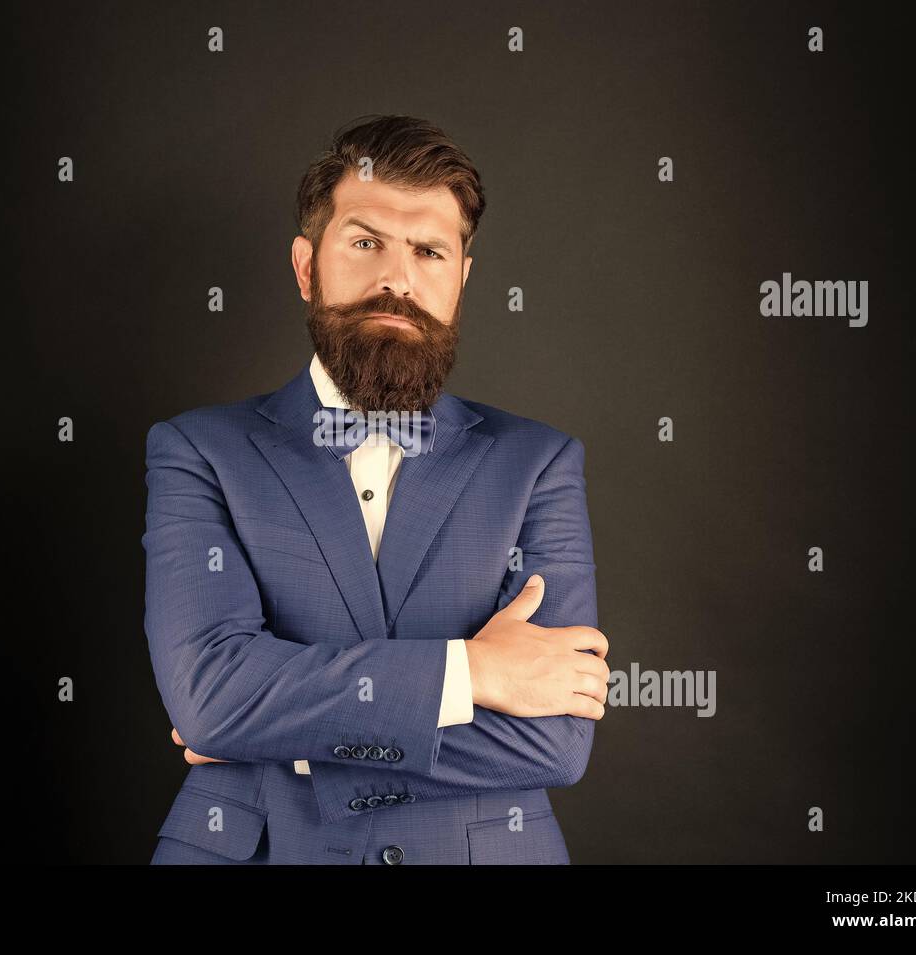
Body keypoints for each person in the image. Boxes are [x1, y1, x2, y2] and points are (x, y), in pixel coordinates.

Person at [143, 114, 609, 864]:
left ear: (461, 276)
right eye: (366, 243)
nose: (398, 278)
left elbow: (554, 737)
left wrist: (283, 743)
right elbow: (211, 696)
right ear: (305, 267)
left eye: (429, 250)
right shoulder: (198, 450)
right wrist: (474, 670)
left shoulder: (540, 462)